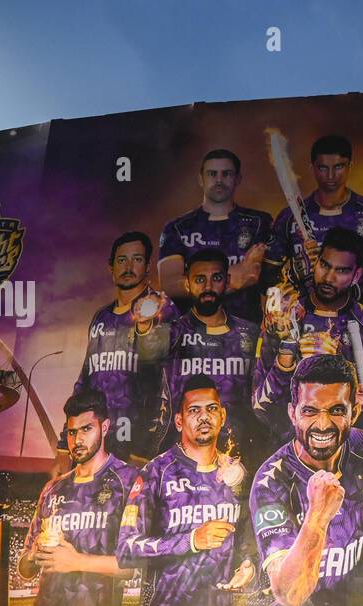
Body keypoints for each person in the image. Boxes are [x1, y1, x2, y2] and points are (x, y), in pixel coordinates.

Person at [250, 355, 363, 606]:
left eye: (336, 410)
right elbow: (290, 595)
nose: (323, 425)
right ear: (292, 414)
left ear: (354, 412)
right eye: (309, 411)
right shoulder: (271, 480)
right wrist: (317, 516)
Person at [118, 376, 255, 606]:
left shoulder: (238, 475)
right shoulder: (156, 472)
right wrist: (191, 540)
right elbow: (126, 548)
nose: (204, 417)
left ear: (222, 416)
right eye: (194, 410)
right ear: (179, 421)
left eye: (211, 409)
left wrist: (248, 566)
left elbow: (247, 540)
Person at [253, 228, 363, 441]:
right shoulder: (283, 318)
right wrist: (287, 357)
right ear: (316, 263)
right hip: (291, 452)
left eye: (341, 271)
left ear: (356, 275)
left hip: (351, 455)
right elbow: (260, 407)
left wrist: (337, 374)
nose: (329, 277)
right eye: (324, 265)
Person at [21, 390, 139, 606]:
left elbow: (135, 565)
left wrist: (76, 561)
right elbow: (25, 570)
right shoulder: (53, 488)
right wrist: (34, 554)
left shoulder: (128, 481)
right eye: (72, 432)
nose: (78, 440)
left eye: (87, 429)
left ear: (104, 428)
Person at [68, 231, 177, 462]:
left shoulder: (162, 307)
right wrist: (63, 443)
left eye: (137, 259)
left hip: (138, 444)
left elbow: (162, 378)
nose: (128, 266)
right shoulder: (101, 317)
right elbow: (85, 380)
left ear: (147, 266)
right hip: (97, 441)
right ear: (111, 267)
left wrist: (145, 448)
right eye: (121, 260)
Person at [263, 134, 363, 309]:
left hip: (358, 320)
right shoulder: (289, 217)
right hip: (303, 322)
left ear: (350, 166)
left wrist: (351, 292)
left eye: (338, 167)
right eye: (322, 168)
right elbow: (265, 282)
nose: (330, 176)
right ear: (312, 168)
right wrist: (293, 271)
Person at [160, 249, 259, 459]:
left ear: (228, 281)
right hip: (182, 460)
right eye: (199, 279)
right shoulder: (170, 334)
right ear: (187, 283)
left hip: (240, 456)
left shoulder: (250, 334)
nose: (207, 287)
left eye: (216, 278)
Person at [157, 148, 272, 323]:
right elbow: (170, 285)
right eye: (212, 174)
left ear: (238, 178)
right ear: (201, 179)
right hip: (192, 334)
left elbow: (269, 279)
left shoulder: (260, 222)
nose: (219, 180)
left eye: (226, 174)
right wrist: (235, 277)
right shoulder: (178, 227)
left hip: (246, 333)